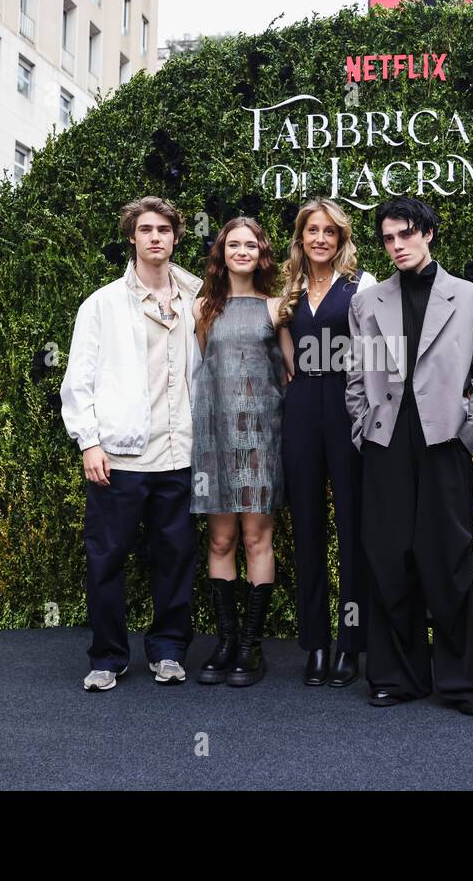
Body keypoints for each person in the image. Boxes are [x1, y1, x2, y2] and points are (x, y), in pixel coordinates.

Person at [346, 196, 473, 715]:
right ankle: (396, 677)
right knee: (388, 558)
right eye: (388, 239)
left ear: (428, 234)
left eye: (405, 235)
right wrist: (362, 429)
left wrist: (468, 432)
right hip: (386, 441)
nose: (396, 247)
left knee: (447, 559)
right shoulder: (367, 303)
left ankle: (464, 683)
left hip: (443, 442)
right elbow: (354, 375)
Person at [61, 196, 203, 691]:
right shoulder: (101, 304)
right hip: (119, 455)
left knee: (176, 557)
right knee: (106, 558)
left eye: (164, 229)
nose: (156, 237)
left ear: (175, 237)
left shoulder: (197, 298)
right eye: (146, 229)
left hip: (180, 452)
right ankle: (107, 657)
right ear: (133, 237)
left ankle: (167, 651)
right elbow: (77, 379)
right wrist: (89, 442)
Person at [277, 198, 375, 687]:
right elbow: (282, 344)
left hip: (346, 404)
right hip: (301, 408)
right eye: (312, 230)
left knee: (354, 527)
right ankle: (315, 644)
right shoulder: (289, 288)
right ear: (302, 237)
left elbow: (375, 351)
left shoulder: (362, 286)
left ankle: (350, 645)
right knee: (308, 527)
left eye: (329, 232)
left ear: (340, 239)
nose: (320, 238)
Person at [191, 215, 292, 687]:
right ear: (221, 252)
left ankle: (252, 646)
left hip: (262, 440)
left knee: (256, 540)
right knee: (220, 541)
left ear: (261, 253)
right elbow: (200, 374)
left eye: (251, 244)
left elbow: (290, 375)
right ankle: (226, 640)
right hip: (214, 438)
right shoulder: (203, 309)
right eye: (234, 244)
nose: (242, 251)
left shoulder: (277, 308)